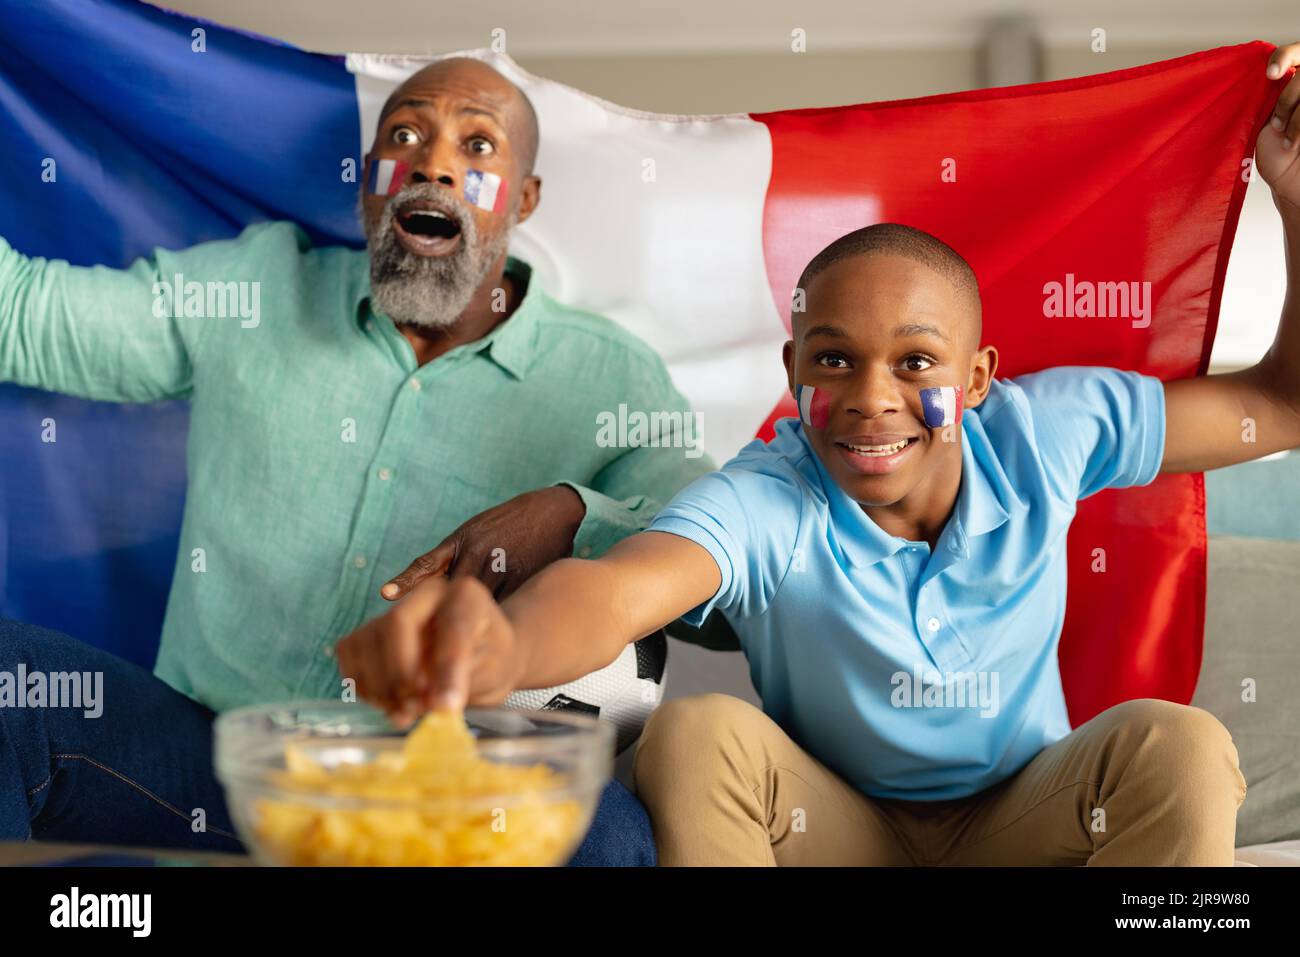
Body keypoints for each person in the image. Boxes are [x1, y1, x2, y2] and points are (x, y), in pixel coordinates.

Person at [334, 44, 1300, 866]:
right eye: (835, 360)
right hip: (838, 830)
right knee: (697, 732)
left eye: (915, 361)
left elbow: (1279, 406)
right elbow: (621, 592)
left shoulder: (1046, 430)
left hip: (1029, 819)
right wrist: (497, 647)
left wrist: (1295, 199)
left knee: (1181, 743)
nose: (872, 399)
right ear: (796, 369)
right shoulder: (771, 493)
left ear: (976, 380)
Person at [0, 57, 714, 864]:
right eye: (404, 135)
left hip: (442, 795)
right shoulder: (256, 287)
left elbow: (715, 577)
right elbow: (22, 313)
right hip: (213, 764)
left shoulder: (611, 377)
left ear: (523, 200)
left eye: (478, 146)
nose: (433, 163)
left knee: (608, 836)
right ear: (369, 185)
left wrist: (575, 510)